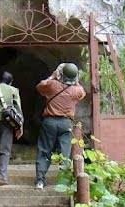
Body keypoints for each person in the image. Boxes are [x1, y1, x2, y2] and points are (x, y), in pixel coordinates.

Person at [34, 62, 86, 190]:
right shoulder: (76, 91)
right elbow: (82, 93)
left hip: (49, 122)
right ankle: (63, 182)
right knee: (65, 152)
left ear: (61, 74)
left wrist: (52, 76)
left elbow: (39, 87)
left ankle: (40, 181)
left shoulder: (52, 85)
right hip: (66, 124)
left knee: (44, 150)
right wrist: (76, 81)